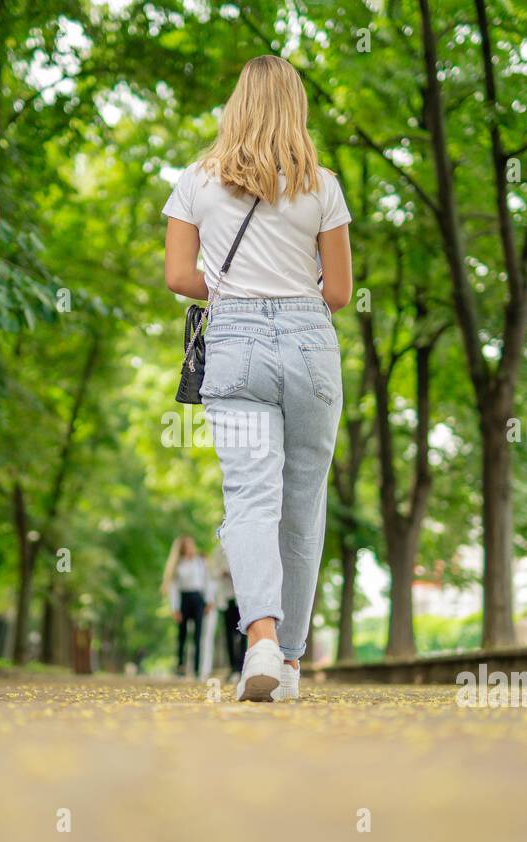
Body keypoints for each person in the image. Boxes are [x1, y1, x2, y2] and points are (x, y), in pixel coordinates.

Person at [163, 56, 352, 702]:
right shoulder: (322, 186)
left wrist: (233, 289)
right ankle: (291, 666)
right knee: (303, 508)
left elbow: (179, 276)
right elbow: (342, 292)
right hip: (309, 345)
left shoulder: (194, 182)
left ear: (236, 105)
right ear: (295, 108)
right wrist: (291, 291)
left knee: (249, 498)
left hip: (235, 344)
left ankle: (262, 640)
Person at [162, 536, 213, 677]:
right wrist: (175, 608)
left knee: (197, 636)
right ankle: (180, 667)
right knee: (182, 635)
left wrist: (209, 600)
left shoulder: (201, 562)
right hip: (184, 599)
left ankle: (197, 669)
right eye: (188, 545)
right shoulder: (178, 565)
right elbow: (174, 588)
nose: (191, 547)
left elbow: (207, 581)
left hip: (198, 599)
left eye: (192, 544)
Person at [208, 539, 244, 681]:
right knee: (229, 635)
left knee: (243, 633)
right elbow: (213, 572)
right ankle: (232, 667)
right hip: (226, 598)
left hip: (241, 598)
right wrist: (221, 573)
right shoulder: (218, 551)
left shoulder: (242, 546)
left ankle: (241, 666)